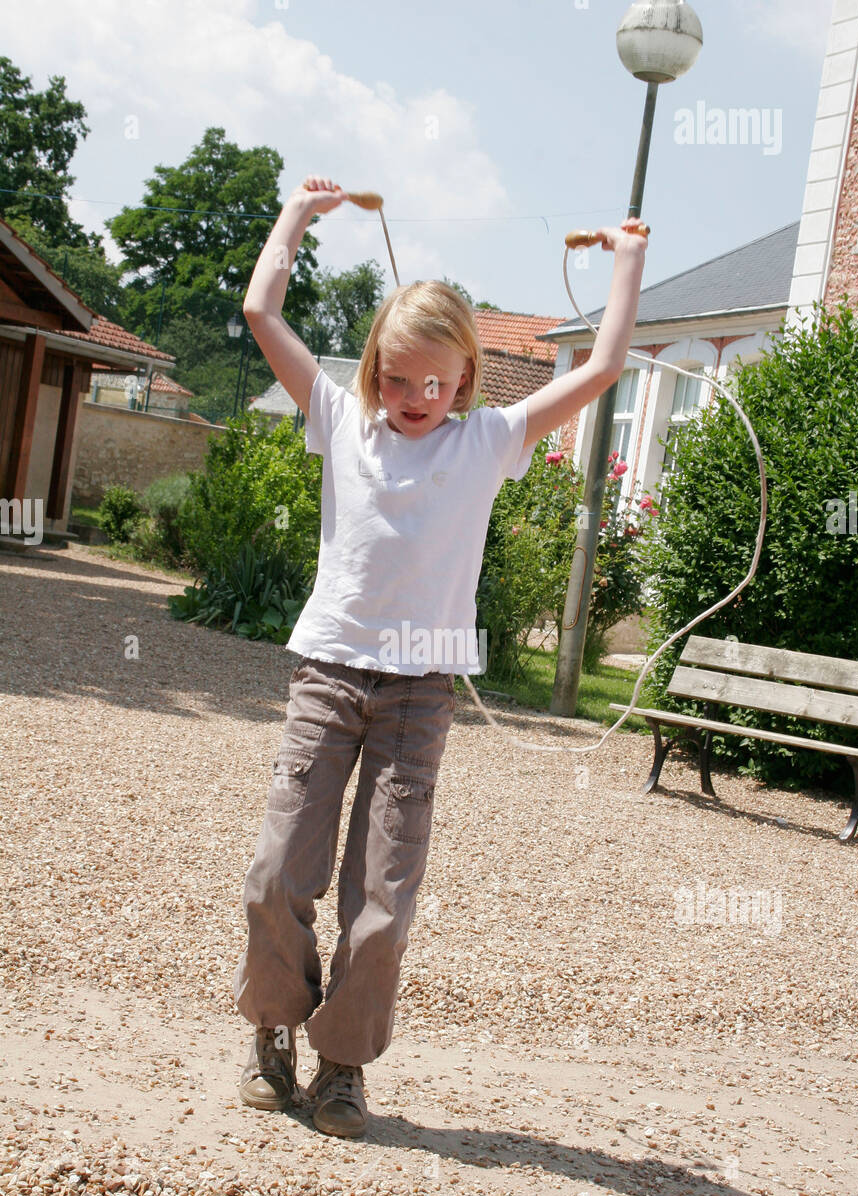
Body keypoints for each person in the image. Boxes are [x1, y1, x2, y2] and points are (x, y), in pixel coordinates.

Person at [232, 174, 647, 1138]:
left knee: (382, 898)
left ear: (466, 379)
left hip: (419, 698)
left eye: (438, 381)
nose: (416, 397)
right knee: (276, 874)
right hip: (328, 680)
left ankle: (341, 1066)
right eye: (398, 376)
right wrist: (297, 215)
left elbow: (602, 368)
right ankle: (270, 1032)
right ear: (373, 366)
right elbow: (260, 307)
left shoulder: (489, 441)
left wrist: (626, 266)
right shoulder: (338, 422)